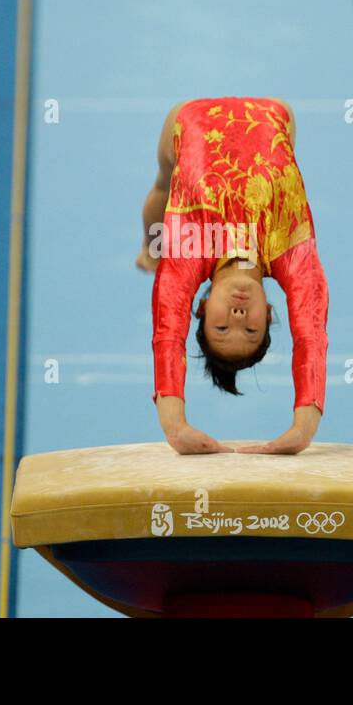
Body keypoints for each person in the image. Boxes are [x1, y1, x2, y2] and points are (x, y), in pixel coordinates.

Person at [137, 97, 328, 455]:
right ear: (270, 313)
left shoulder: (187, 255)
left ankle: (149, 249)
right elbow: (311, 336)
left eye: (222, 328)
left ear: (202, 307)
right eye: (252, 330)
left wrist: (174, 426)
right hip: (274, 112)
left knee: (165, 188)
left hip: (188, 115)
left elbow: (167, 335)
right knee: (165, 192)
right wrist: (303, 429)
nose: (238, 318)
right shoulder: (292, 256)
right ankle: (149, 251)